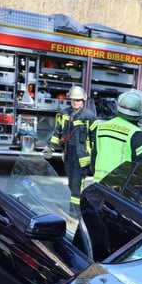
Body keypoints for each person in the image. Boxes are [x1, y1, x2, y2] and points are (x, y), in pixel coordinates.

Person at [49, 85, 96, 216]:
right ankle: (77, 207)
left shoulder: (89, 116)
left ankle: (75, 213)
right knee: (71, 184)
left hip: (82, 157)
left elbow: (94, 138)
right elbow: (57, 132)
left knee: (77, 185)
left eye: (78, 100)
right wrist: (51, 147)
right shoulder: (64, 114)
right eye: (73, 100)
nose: (76, 102)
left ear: (83, 101)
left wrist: (94, 158)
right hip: (68, 154)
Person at [91, 89, 142, 182]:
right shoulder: (135, 133)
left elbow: (94, 157)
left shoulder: (101, 127)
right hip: (120, 188)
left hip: (99, 184)